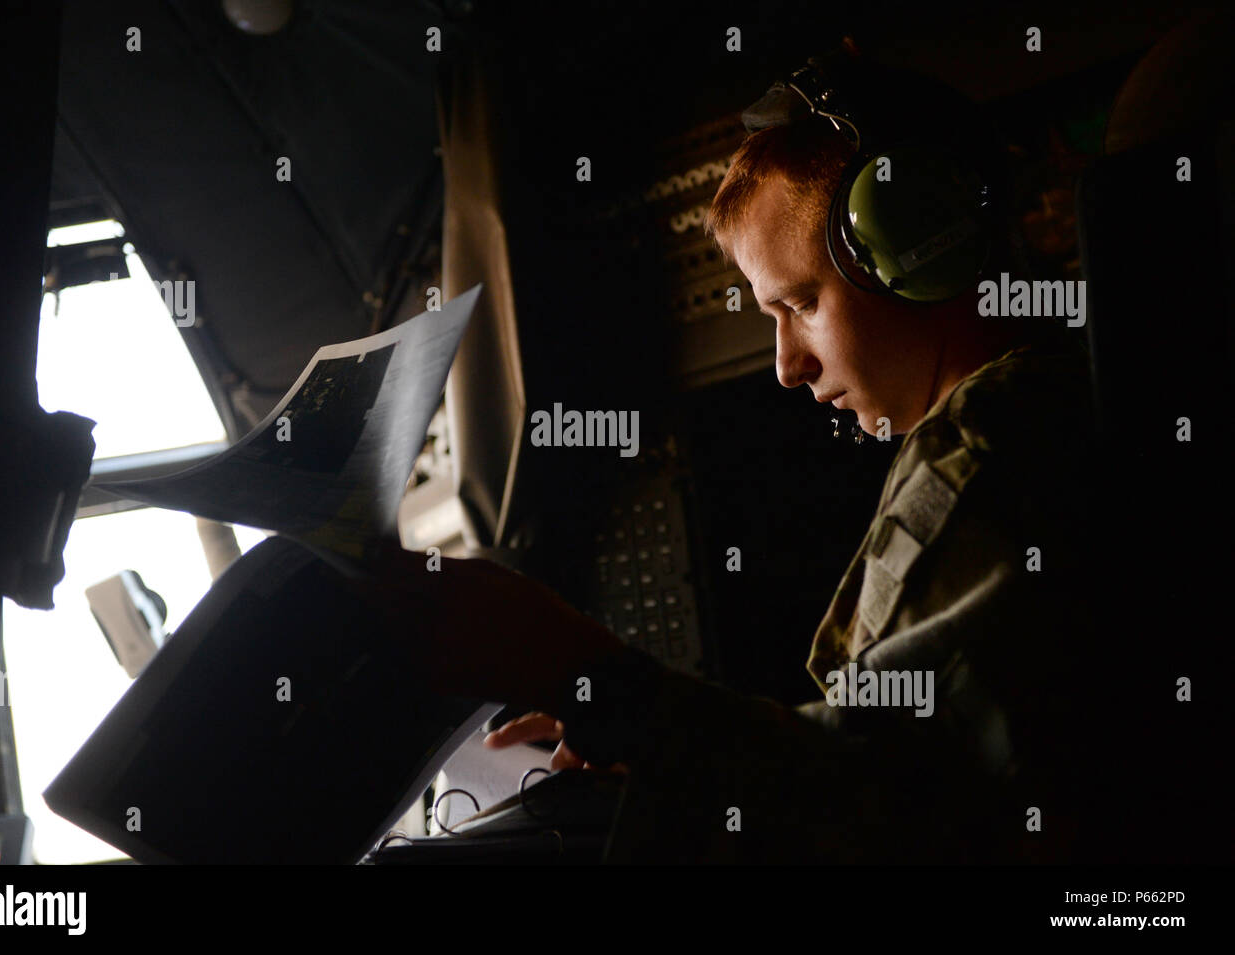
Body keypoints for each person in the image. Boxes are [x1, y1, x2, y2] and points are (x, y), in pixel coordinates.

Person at [350, 48, 1104, 862]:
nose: (787, 364)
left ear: (921, 243)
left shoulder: (989, 441)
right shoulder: (1034, 411)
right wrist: (658, 743)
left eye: (803, 303)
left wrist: (588, 671)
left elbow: (892, 807)